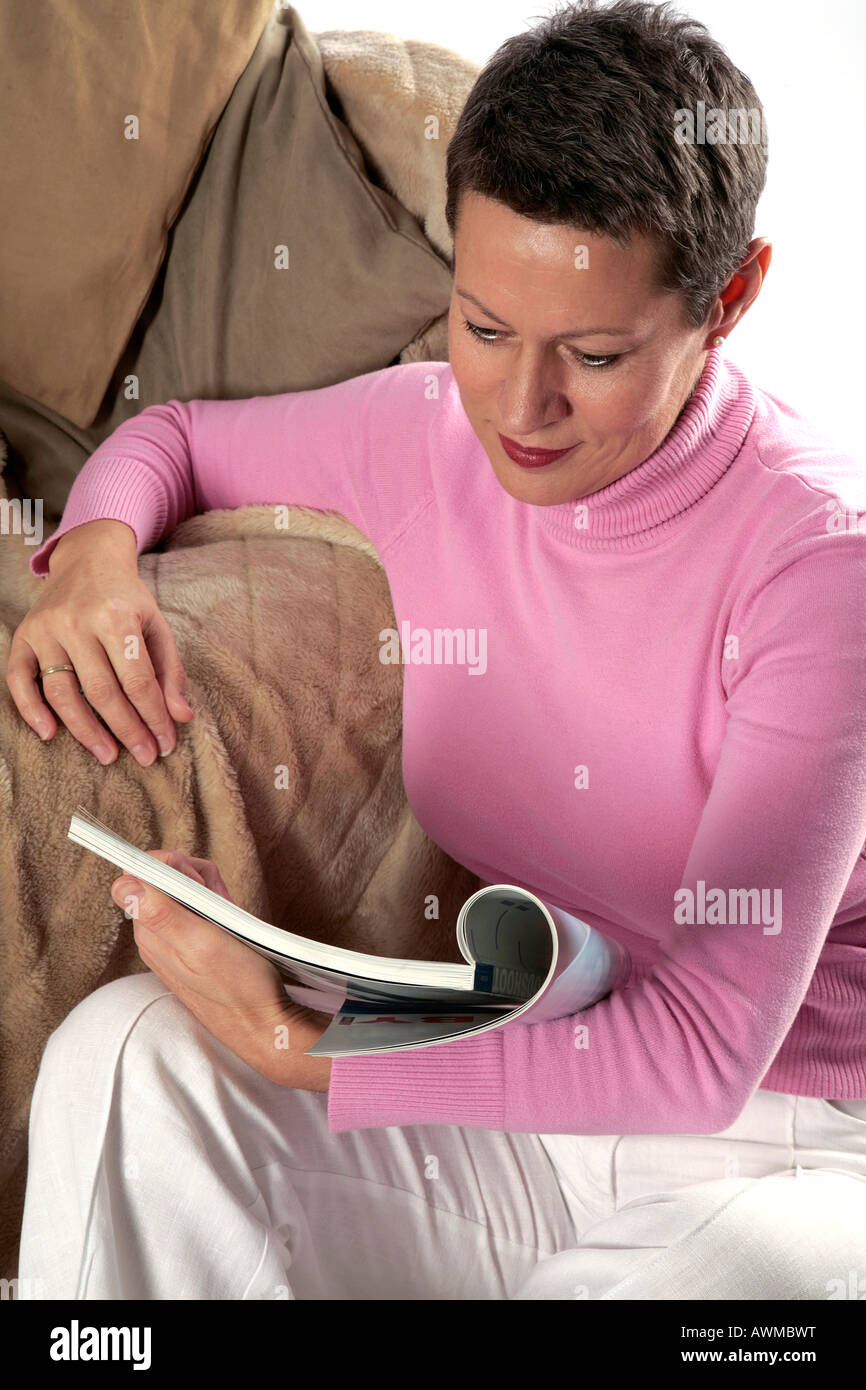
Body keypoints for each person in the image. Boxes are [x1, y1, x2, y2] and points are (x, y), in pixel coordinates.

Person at [9, 0, 866, 1300]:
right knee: (122, 1059)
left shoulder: (817, 565)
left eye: (590, 354)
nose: (517, 410)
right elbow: (172, 435)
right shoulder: (429, 437)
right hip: (533, 1066)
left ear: (729, 298)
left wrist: (297, 1043)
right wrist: (90, 556)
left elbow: (699, 1048)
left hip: (793, 1145)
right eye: (480, 325)